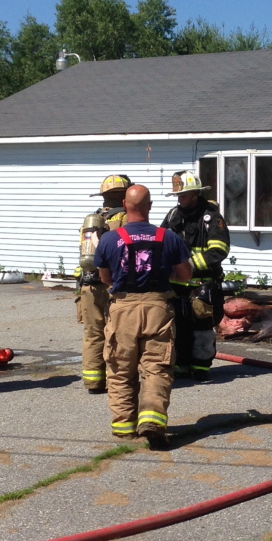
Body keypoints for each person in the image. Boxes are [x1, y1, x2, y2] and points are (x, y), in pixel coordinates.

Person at [95, 185, 191, 448]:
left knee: (120, 369)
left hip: (122, 309)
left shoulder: (108, 239)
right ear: (149, 206)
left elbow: (106, 278)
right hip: (158, 308)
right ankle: (151, 420)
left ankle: (124, 427)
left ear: (125, 205)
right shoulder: (168, 237)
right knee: (157, 368)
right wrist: (167, 275)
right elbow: (186, 275)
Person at [160, 171, 230, 382]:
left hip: (203, 285)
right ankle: (180, 365)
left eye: (183, 195)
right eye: (178, 196)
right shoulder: (174, 215)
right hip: (177, 285)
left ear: (194, 194)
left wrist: (187, 265)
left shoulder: (212, 218)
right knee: (179, 327)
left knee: (202, 329)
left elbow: (219, 250)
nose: (179, 200)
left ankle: (201, 367)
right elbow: (161, 241)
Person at [72, 174, 132, 394]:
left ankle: (93, 382)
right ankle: (115, 379)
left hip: (88, 284)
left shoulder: (91, 222)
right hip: (114, 284)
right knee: (116, 332)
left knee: (92, 332)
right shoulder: (127, 220)